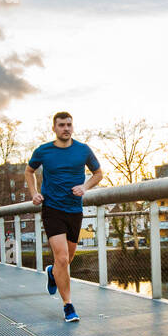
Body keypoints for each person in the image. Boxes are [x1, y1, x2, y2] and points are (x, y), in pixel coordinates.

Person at [25, 111, 102, 322]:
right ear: (54, 128)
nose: (65, 128)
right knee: (62, 258)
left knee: (66, 260)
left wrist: (85, 187)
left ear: (72, 127)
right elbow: (29, 171)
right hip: (52, 209)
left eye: (69, 124)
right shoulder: (44, 151)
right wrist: (34, 194)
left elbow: (99, 173)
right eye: (61, 125)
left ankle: (52, 273)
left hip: (74, 210)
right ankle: (68, 306)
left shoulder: (83, 150)